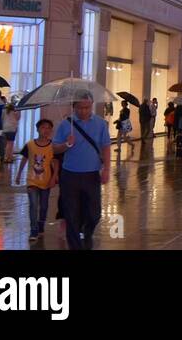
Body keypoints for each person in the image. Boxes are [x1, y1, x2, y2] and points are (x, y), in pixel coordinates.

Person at [52, 94, 112, 250]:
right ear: (74, 107)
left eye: (87, 107)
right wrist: (66, 144)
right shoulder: (66, 125)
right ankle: (75, 245)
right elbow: (54, 147)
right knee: (71, 212)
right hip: (70, 174)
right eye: (80, 107)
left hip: (91, 174)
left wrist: (106, 169)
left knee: (94, 212)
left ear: (92, 105)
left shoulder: (100, 124)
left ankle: (87, 229)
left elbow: (106, 146)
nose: (84, 111)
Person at [16, 119, 59, 242]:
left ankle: (41, 226)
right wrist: (18, 175)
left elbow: (56, 162)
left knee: (44, 206)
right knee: (33, 205)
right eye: (43, 127)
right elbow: (24, 159)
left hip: (46, 181)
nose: (46, 130)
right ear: (38, 129)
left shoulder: (53, 146)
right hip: (32, 181)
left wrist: (54, 176)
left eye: (49, 128)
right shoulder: (30, 144)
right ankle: (33, 230)